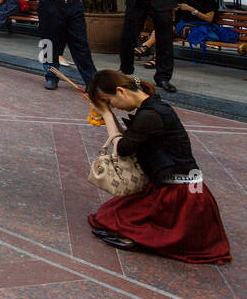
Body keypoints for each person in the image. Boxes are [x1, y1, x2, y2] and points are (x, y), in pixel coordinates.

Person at [86, 70, 231, 263]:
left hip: (182, 196)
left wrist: (106, 114)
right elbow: (131, 141)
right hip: (171, 187)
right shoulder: (151, 106)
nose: (113, 106)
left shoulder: (151, 114)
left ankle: (141, 239)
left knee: (116, 220)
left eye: (109, 101)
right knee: (108, 216)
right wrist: (108, 114)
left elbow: (122, 148)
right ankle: (140, 235)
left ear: (121, 91)